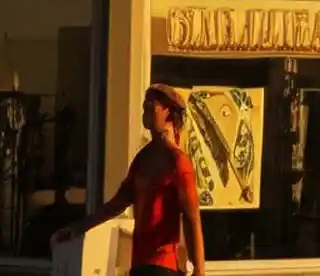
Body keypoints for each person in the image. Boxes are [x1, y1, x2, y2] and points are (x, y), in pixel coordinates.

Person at [51, 84, 205, 276]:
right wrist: (77, 228)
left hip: (164, 265)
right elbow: (116, 204)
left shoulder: (178, 161)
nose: (147, 108)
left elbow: (192, 217)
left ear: (169, 112)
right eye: (145, 104)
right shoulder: (143, 159)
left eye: (153, 104)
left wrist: (199, 269)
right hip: (140, 264)